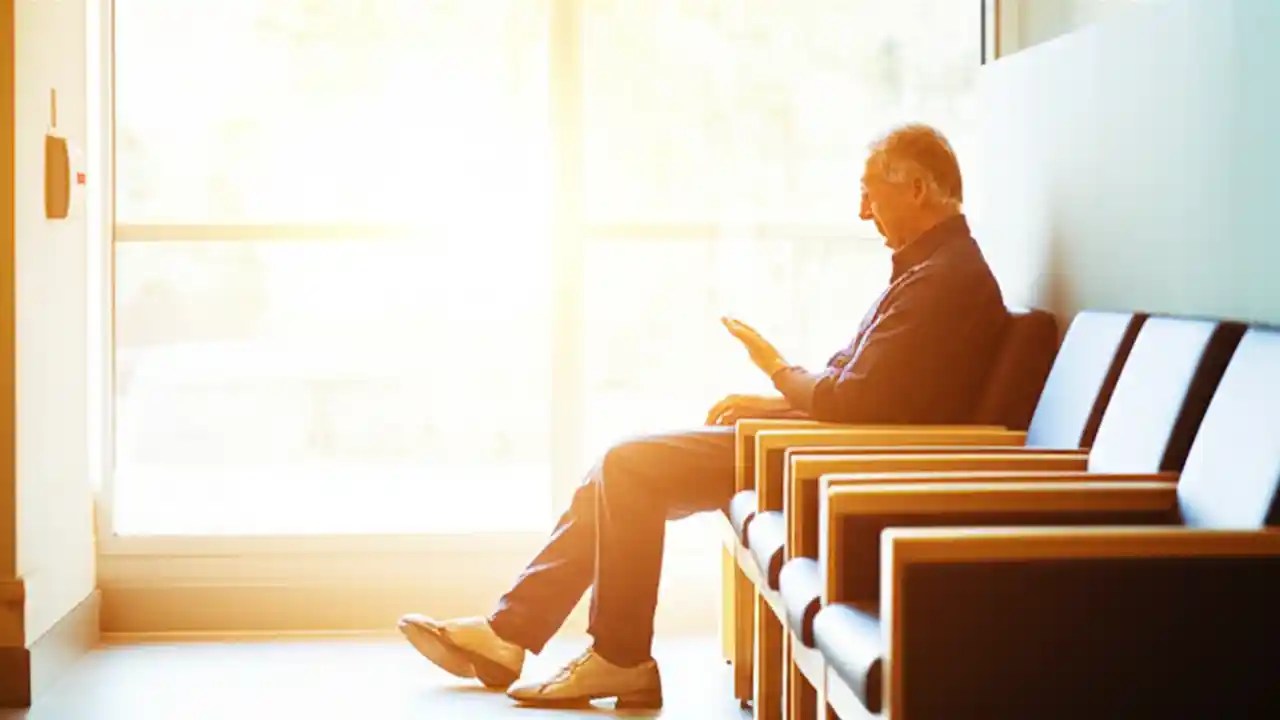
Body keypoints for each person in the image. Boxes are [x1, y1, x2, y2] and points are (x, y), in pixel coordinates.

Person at [397, 123, 1008, 709]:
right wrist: (778, 400)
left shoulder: (945, 279)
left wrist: (775, 368)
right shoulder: (933, 269)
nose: (861, 212)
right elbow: (865, 386)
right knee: (617, 468)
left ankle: (621, 657)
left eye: (869, 193)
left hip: (839, 467)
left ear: (918, 189)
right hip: (826, 444)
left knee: (629, 464)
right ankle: (510, 635)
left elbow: (858, 401)